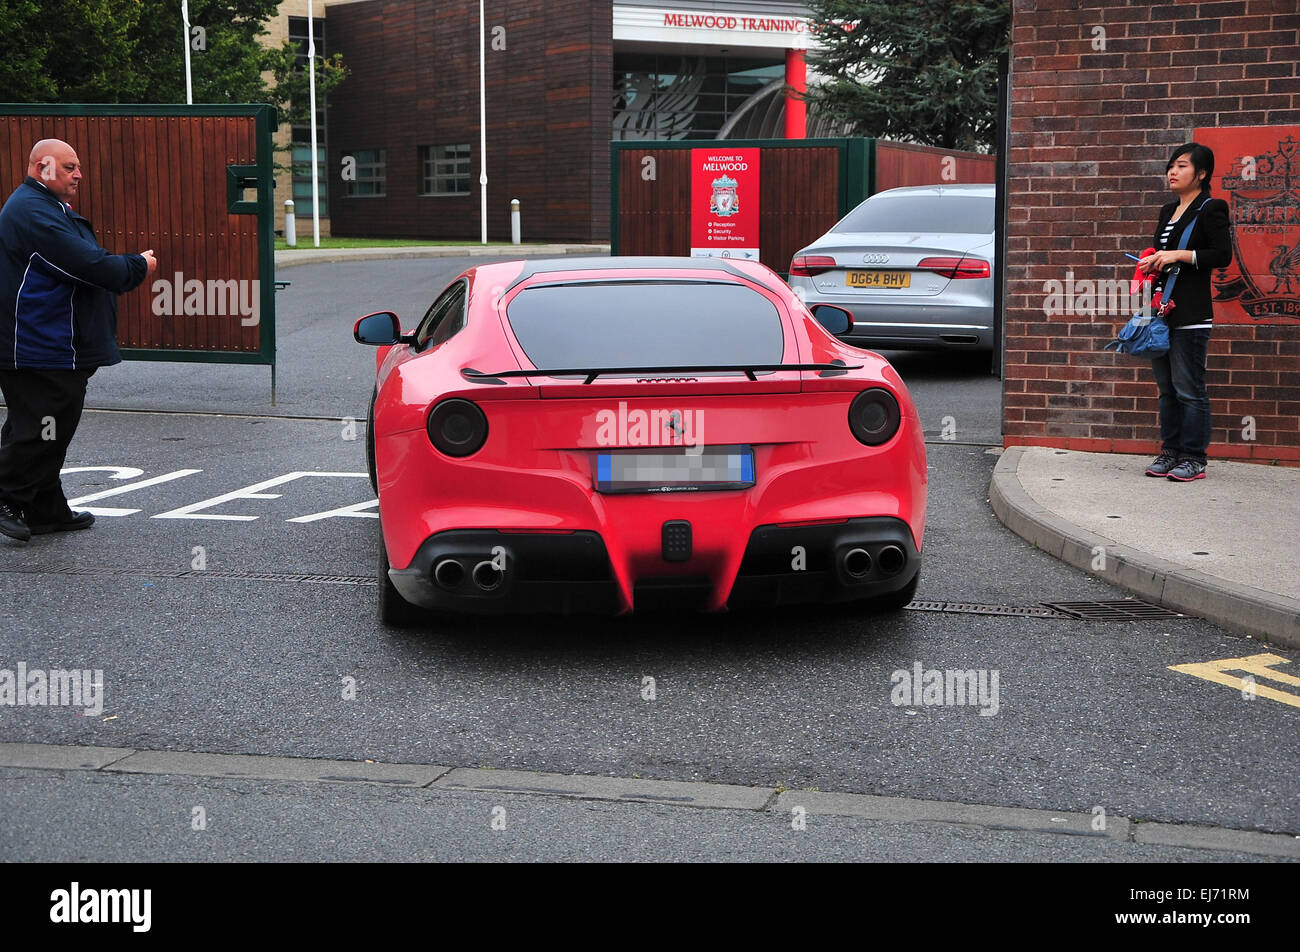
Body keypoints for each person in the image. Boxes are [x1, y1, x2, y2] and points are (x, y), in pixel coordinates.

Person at [0, 138, 157, 542]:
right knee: (42, 427)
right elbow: (85, 264)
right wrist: (136, 266)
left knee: (42, 425)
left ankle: (44, 509)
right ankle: (6, 496)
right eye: (70, 168)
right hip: (38, 345)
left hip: (50, 343)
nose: (79, 175)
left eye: (78, 167)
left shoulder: (44, 206)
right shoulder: (32, 211)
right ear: (42, 168)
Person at [1137, 142, 1232, 482]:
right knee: (1166, 389)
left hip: (1191, 313)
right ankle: (1171, 451)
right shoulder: (1168, 211)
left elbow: (1221, 256)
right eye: (1170, 167)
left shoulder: (1212, 208)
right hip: (1161, 312)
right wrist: (1153, 260)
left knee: (1189, 387)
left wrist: (1179, 255)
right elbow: (1164, 256)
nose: (1172, 172)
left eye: (1181, 166)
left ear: (1202, 173)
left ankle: (1194, 457)